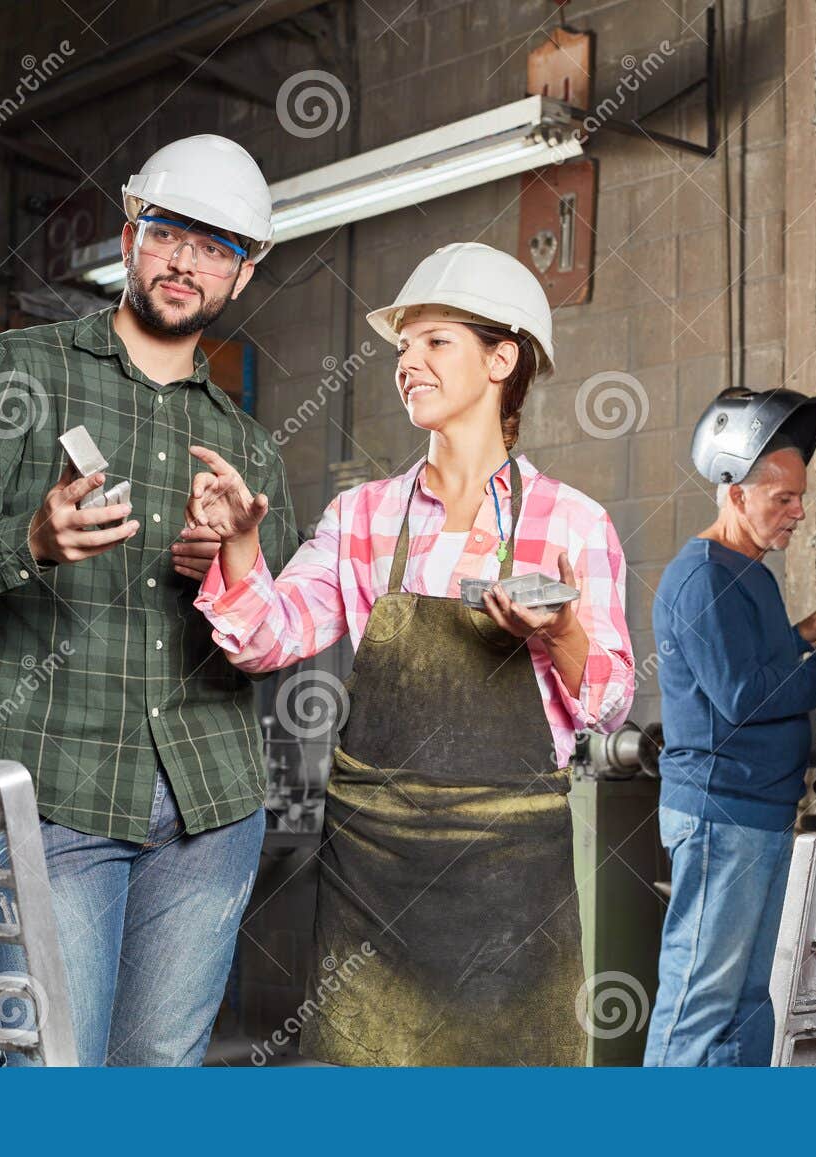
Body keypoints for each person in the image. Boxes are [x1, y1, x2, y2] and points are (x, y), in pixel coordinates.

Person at [175, 242, 635, 1065]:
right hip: (372, 873)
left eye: (435, 342)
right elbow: (267, 639)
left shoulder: (572, 523)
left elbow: (607, 702)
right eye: (402, 348)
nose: (408, 364)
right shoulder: (363, 517)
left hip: (510, 874)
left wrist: (561, 632)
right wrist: (242, 549)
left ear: (503, 358)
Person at [0, 135, 296, 1065]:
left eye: (217, 247)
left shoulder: (249, 448)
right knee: (51, 1077)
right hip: (57, 794)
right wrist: (26, 546)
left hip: (209, 803)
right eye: (169, 233)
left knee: (158, 1084)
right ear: (130, 234)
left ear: (243, 271)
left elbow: (279, 636)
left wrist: (233, 563)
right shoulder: (17, 375)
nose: (186, 262)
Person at [644, 387, 816, 1068]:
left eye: (800, 496)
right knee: (702, 996)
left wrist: (799, 637)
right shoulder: (702, 576)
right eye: (782, 498)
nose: (798, 511)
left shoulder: (747, 569)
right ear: (734, 492)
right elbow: (743, 696)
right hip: (721, 814)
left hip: (757, 812)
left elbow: (742, 664)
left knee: (752, 996)